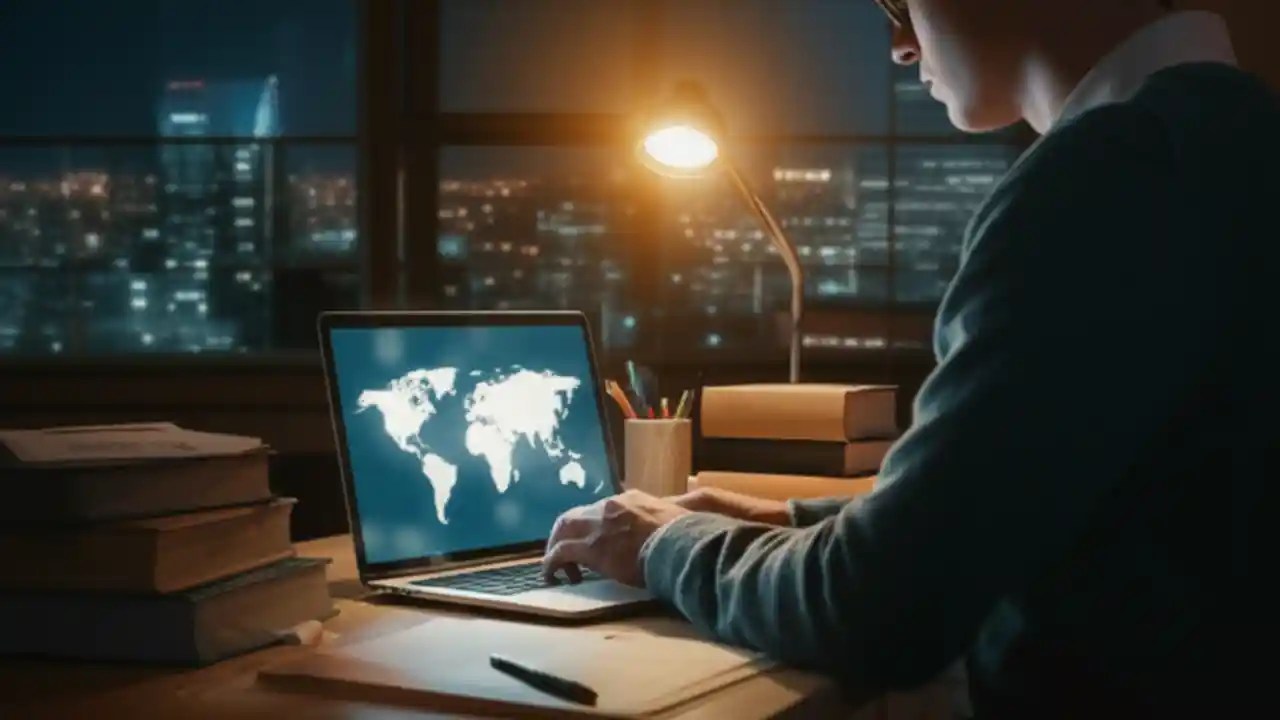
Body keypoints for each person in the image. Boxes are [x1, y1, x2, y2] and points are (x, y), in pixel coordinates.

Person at [543, 1, 1279, 717]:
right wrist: (782, 516)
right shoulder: (1231, 136)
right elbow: (1020, 503)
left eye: (901, 1)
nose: (899, 42)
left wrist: (662, 544)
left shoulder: (1105, 179)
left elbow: (878, 609)